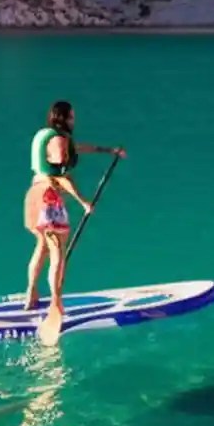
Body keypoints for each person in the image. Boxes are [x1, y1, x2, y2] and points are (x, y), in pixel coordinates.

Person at [22, 100, 125, 341]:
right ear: (65, 117)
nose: (74, 120)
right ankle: (56, 303)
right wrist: (83, 202)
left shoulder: (46, 135)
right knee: (58, 252)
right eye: (72, 116)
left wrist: (107, 150)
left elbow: (77, 148)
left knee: (43, 247)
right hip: (49, 197)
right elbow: (61, 176)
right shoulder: (59, 142)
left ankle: (31, 294)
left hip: (34, 194)